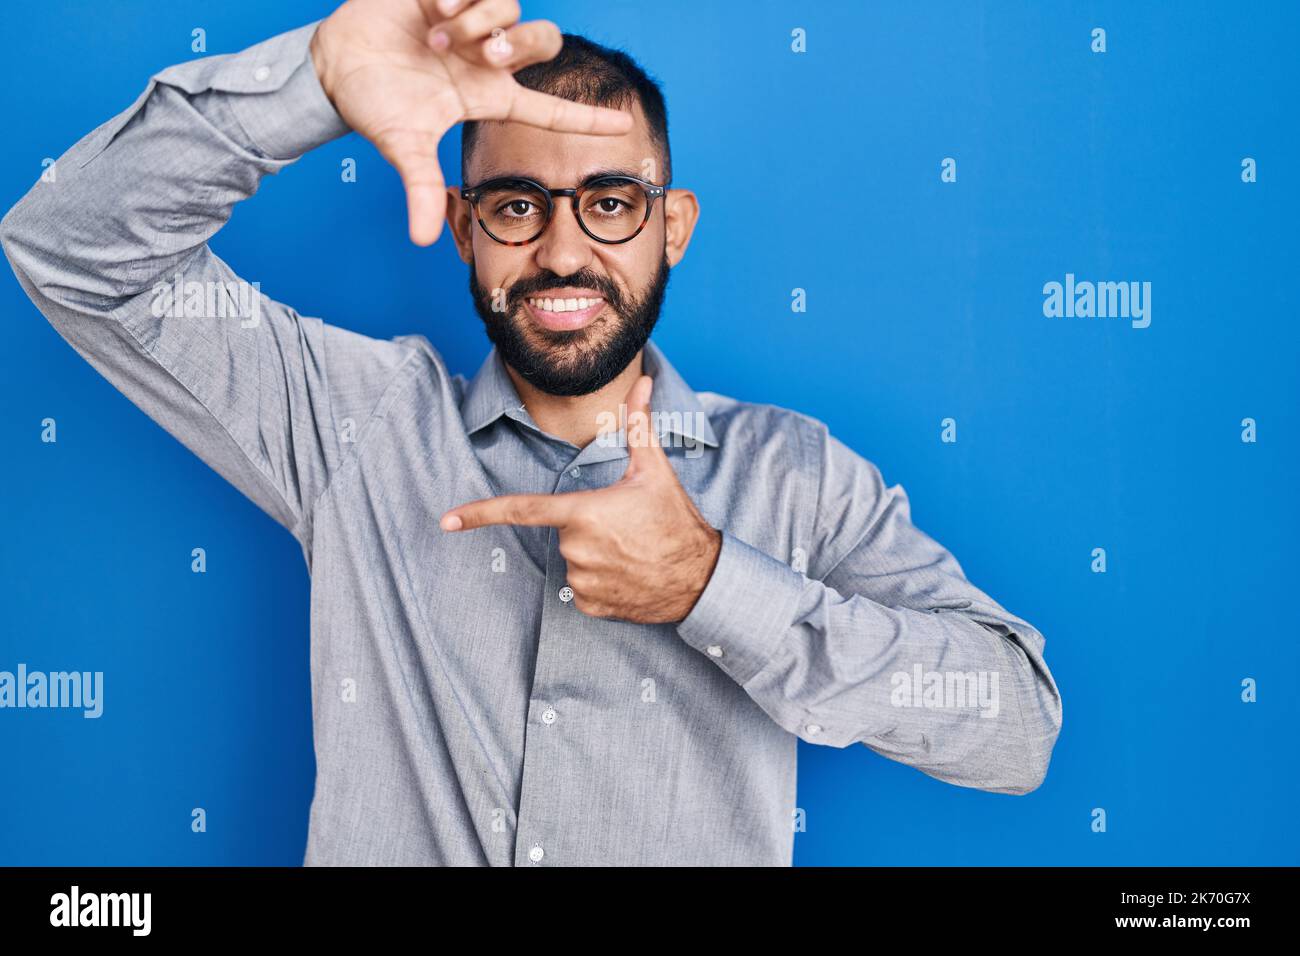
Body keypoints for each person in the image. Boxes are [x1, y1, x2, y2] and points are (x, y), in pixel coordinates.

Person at [1, 0, 1063, 866]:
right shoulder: (349, 420)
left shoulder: (800, 475)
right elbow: (72, 248)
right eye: (516, 204)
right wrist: (313, 80)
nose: (562, 251)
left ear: (671, 226)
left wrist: (707, 582)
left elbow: (1013, 723)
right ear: (465, 226)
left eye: (609, 202)